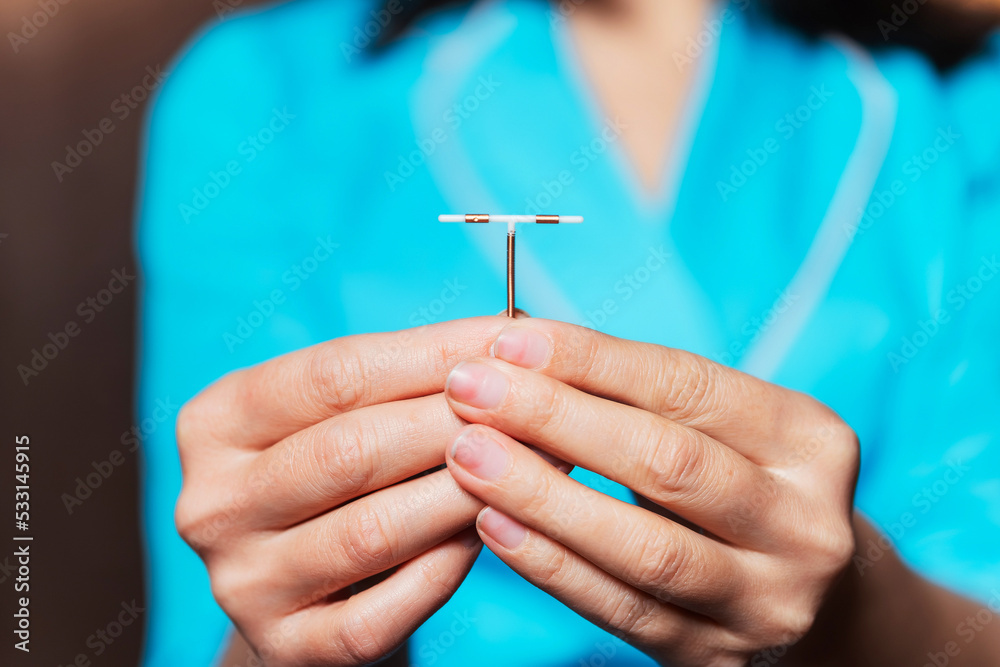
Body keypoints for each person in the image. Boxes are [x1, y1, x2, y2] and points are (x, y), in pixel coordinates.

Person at [135, 0, 1000, 664]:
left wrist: (850, 610)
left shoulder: (958, 104)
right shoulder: (262, 93)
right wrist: (307, 624)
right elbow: (212, 613)